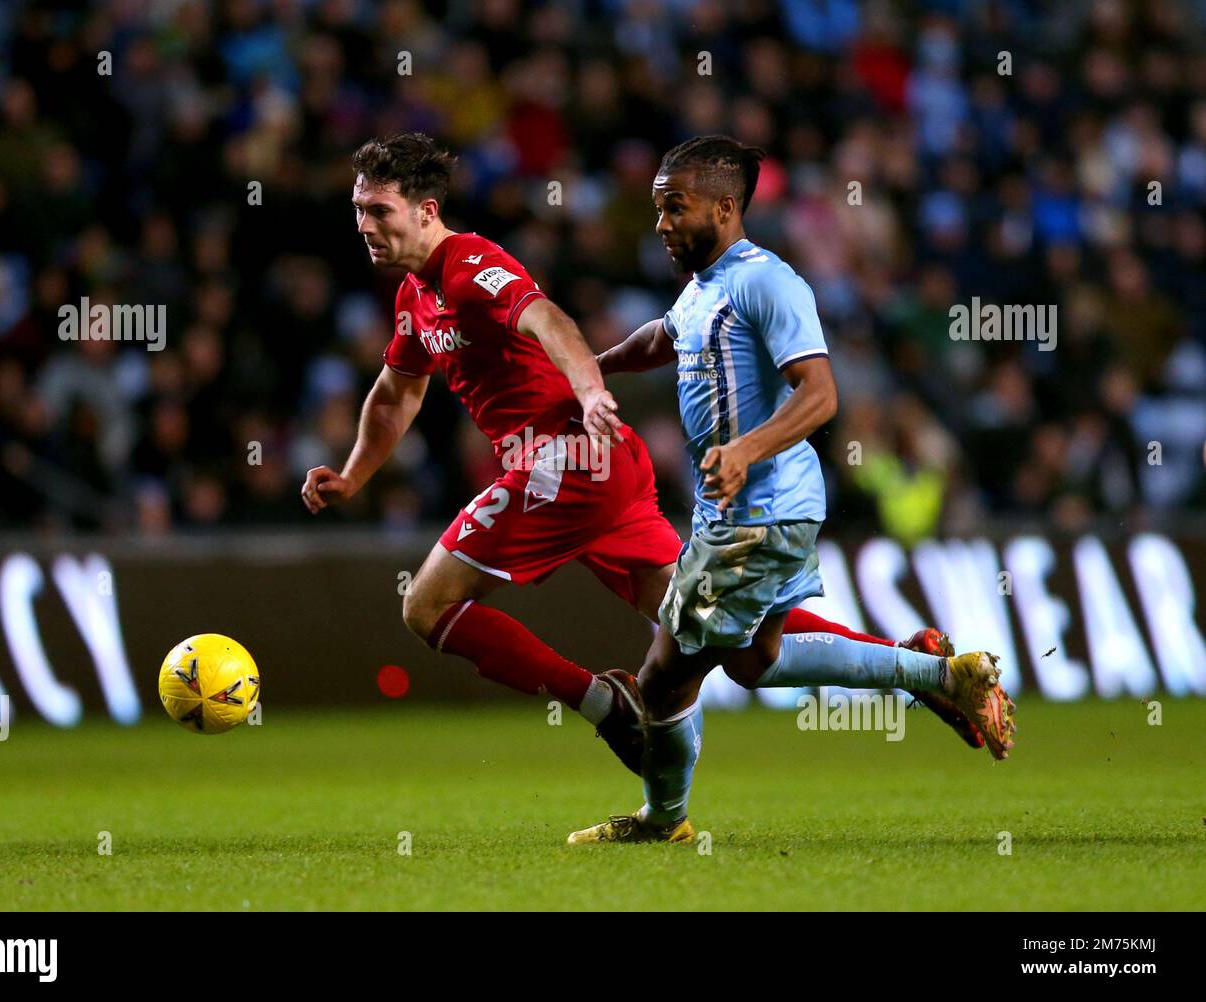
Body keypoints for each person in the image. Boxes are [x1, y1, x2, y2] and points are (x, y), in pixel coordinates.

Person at [301, 133, 985, 778]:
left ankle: (604, 703)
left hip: (564, 460)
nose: (363, 224)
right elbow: (396, 391)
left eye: (377, 209)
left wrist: (590, 389)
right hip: (603, 471)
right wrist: (356, 472)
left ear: (425, 211)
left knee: (425, 607)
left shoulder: (470, 263)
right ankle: (919, 668)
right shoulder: (414, 296)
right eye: (357, 209)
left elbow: (548, 319)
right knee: (729, 638)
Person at [567, 136, 1016, 845]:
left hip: (758, 513)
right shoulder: (702, 290)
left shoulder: (767, 281)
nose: (661, 224)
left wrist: (746, 449)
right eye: (657, 209)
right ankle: (937, 674)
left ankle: (665, 822)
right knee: (754, 661)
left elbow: (821, 392)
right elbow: (666, 335)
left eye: (674, 207)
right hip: (758, 511)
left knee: (659, 682)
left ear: (724, 206)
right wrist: (596, 369)